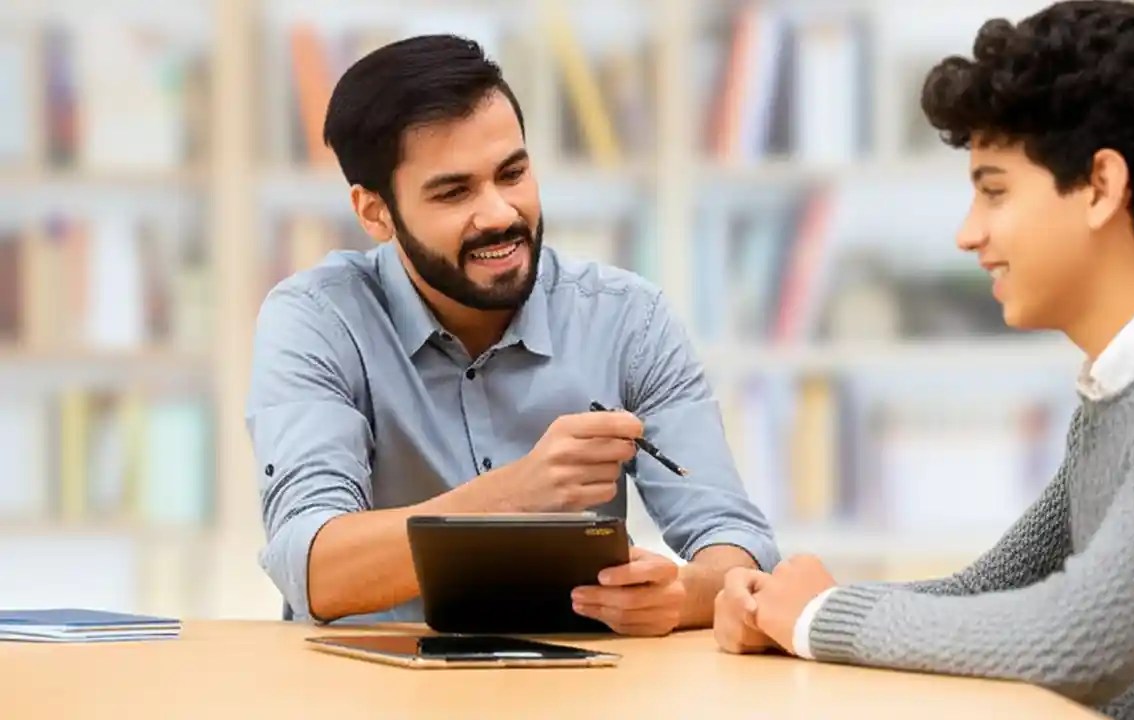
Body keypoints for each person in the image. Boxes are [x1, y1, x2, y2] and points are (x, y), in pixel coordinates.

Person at [712, 2, 1134, 718]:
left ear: (1101, 186)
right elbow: (988, 597)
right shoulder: (1132, 386)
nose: (967, 233)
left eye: (994, 190)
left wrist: (817, 619)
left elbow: (1081, 640)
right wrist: (789, 614)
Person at [245, 34, 778, 634]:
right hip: (377, 686)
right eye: (454, 191)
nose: (500, 213)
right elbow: (311, 566)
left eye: (513, 173)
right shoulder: (317, 318)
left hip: (580, 685)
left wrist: (681, 596)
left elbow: (737, 546)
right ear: (375, 213)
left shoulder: (629, 318)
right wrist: (515, 495)